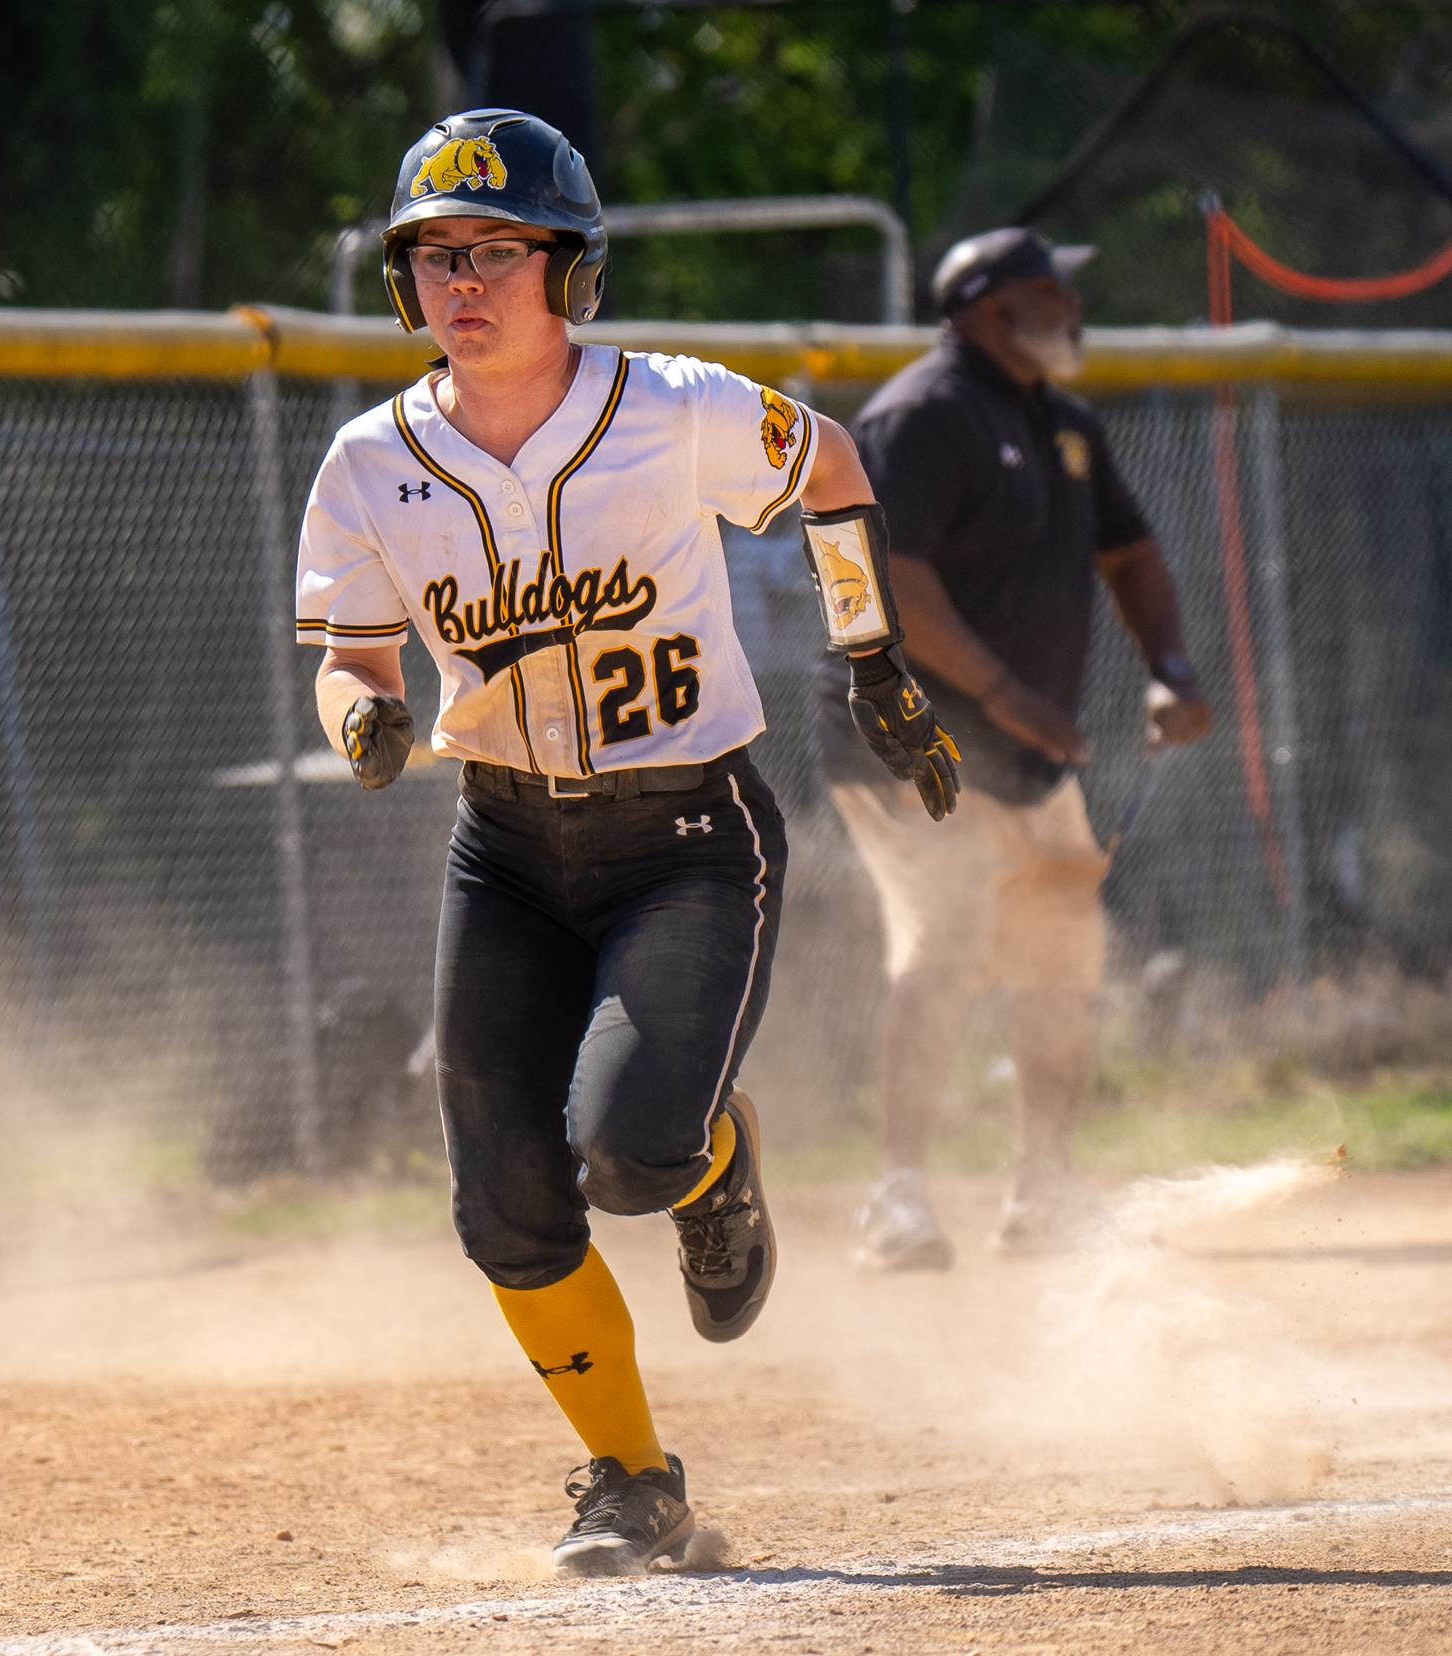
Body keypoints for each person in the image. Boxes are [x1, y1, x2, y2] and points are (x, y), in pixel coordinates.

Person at [294, 109, 958, 1574]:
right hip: (508, 854)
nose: (462, 281)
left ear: (568, 269)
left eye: (499, 250)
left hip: (687, 837)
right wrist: (363, 722)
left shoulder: (668, 406)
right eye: (434, 256)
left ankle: (713, 1161)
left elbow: (832, 465)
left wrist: (873, 660)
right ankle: (631, 1479)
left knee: (631, 1154)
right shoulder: (367, 462)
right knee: (507, 1202)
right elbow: (354, 660)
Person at [826, 226, 1212, 1272]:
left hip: (1023, 751)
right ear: (990, 309)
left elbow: (1128, 553)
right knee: (942, 943)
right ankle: (895, 1198)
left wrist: (1168, 665)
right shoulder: (920, 417)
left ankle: (1042, 1187)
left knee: (1061, 956)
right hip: (907, 745)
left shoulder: (1062, 425)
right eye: (1051, 292)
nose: (1070, 311)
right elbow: (889, 580)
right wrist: (1000, 693)